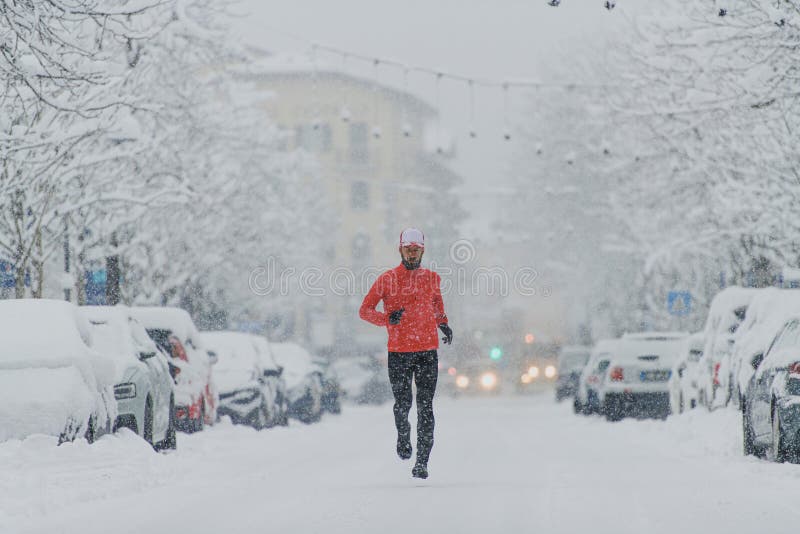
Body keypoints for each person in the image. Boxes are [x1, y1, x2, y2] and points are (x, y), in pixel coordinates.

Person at [359, 228, 453, 479]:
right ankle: (403, 434)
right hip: (399, 352)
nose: (412, 254)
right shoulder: (387, 280)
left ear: (423, 250)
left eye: (417, 249)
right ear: (400, 250)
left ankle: (422, 461)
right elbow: (365, 310)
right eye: (408, 249)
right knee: (403, 404)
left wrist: (443, 323)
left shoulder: (432, 279)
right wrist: (387, 319)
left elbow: (437, 305)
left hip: (427, 352)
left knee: (426, 407)